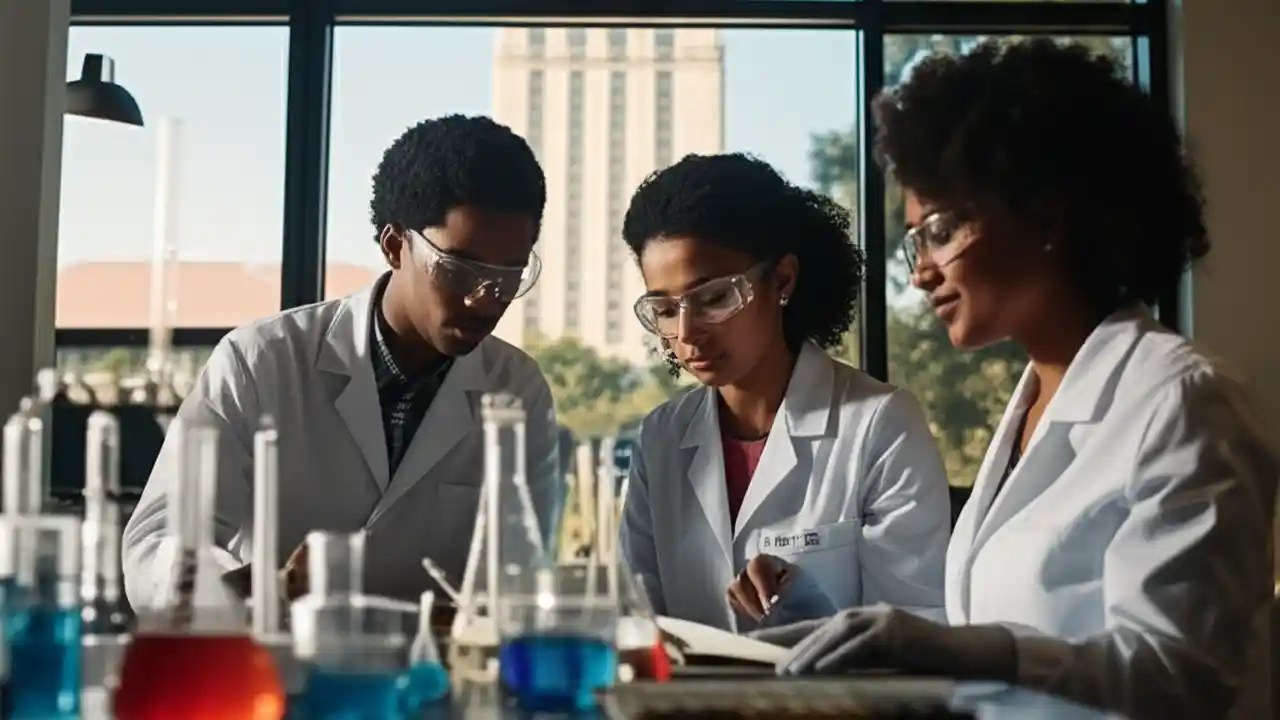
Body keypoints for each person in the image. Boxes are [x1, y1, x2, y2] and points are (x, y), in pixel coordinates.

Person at [753, 39, 1278, 720]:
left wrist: (976, 653)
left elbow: (1181, 678)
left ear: (1048, 216)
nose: (920, 272)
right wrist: (829, 622)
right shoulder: (1033, 397)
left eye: (940, 230)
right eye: (916, 242)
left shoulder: (1184, 402)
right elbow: (1010, 633)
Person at [123, 115, 561, 606]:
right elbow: (161, 541)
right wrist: (247, 586)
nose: (484, 300)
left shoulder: (516, 390)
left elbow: (523, 577)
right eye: (459, 270)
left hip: (435, 672)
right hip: (276, 664)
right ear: (395, 245)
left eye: (508, 277)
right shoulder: (260, 362)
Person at [618, 153, 950, 633]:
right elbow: (637, 622)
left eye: (714, 298)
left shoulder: (881, 424)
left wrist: (805, 604)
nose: (687, 332)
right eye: (665, 309)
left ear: (782, 280)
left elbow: (916, 631)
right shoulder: (660, 438)